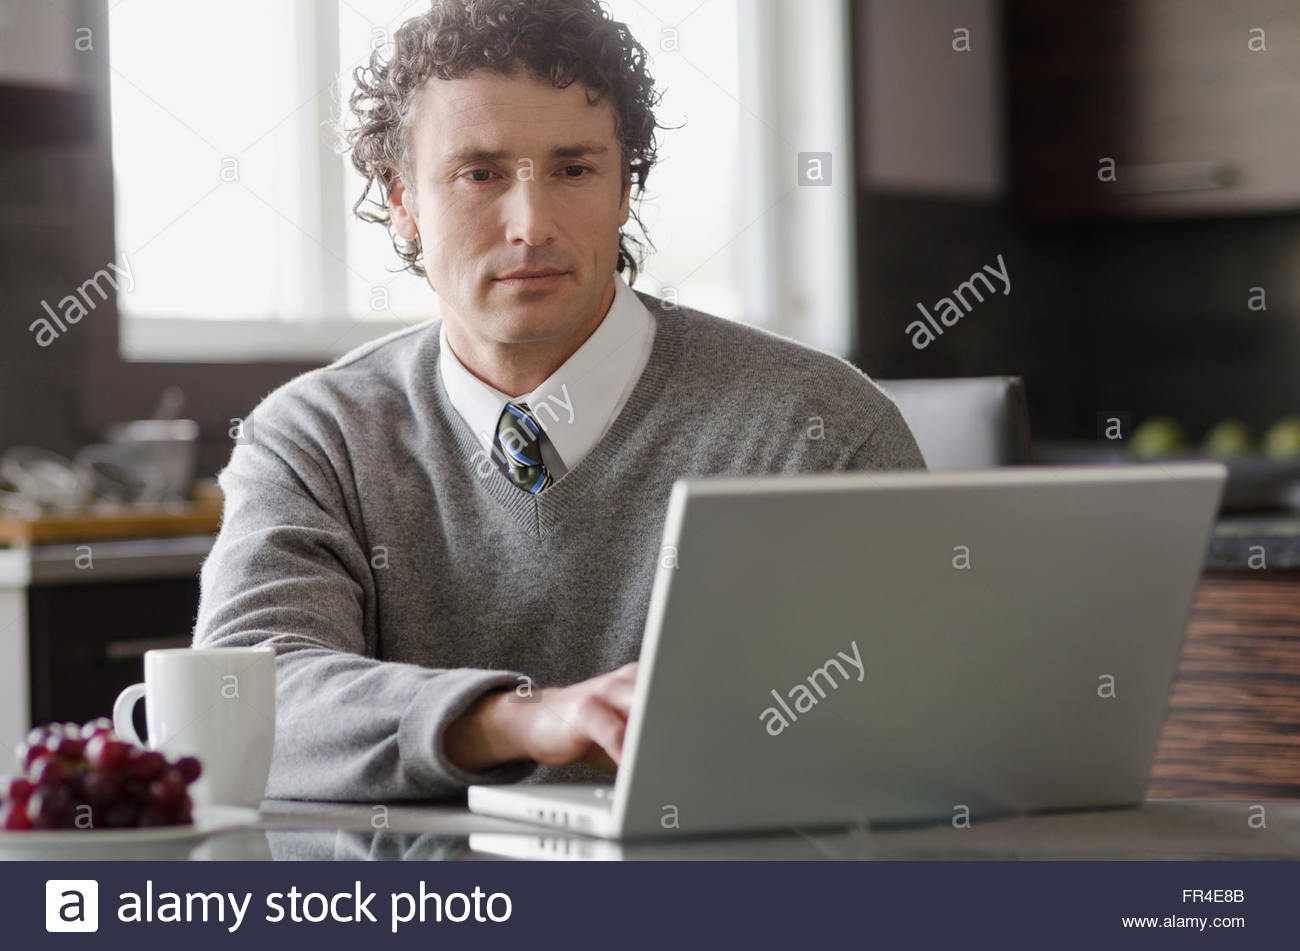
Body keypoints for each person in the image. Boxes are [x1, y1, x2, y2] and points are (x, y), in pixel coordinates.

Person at [193, 0, 925, 801]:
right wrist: (519, 721)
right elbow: (245, 704)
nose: (531, 224)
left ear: (624, 189)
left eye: (574, 169)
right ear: (402, 201)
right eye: (480, 173)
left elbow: (918, 730)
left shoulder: (818, 428)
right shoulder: (314, 437)